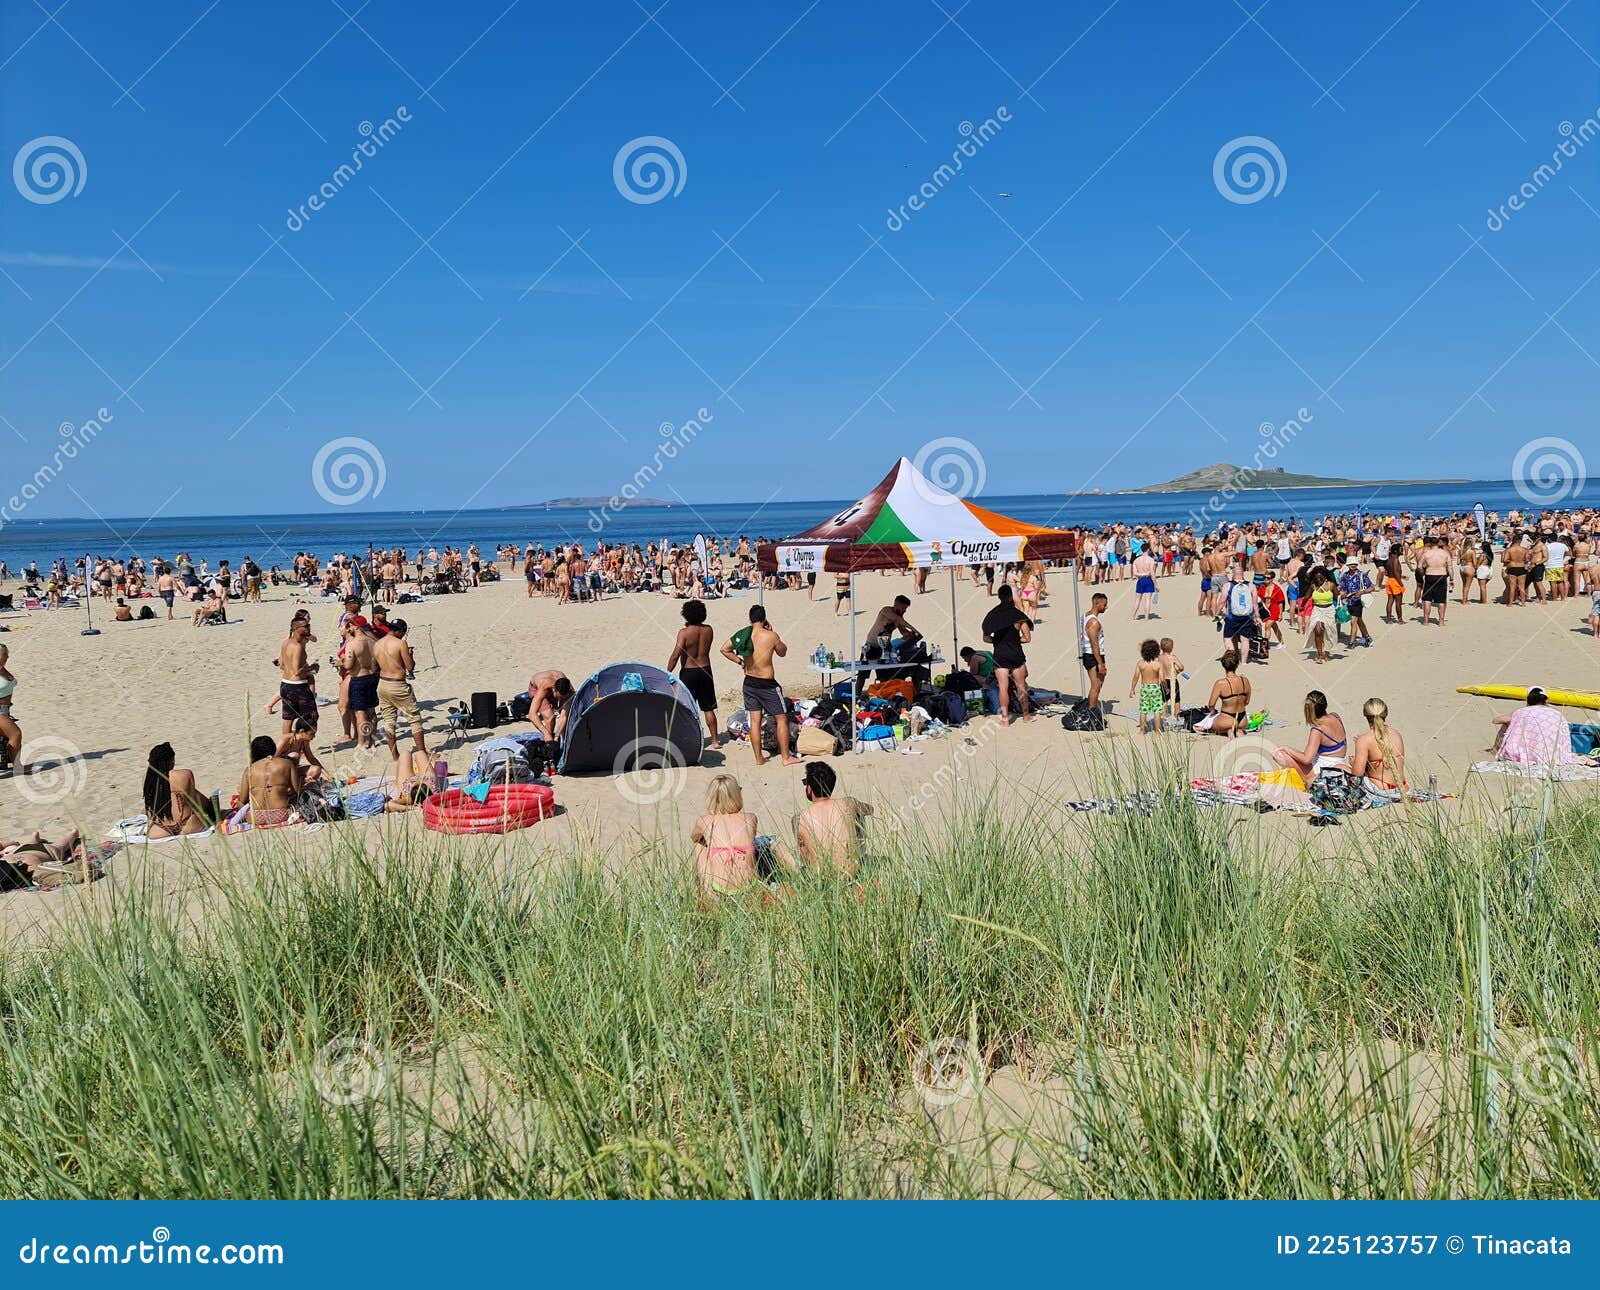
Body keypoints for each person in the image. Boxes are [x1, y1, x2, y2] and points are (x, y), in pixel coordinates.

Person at [722, 604, 801, 766]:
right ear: (764, 618)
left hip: (749, 681)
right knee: (781, 719)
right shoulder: (770, 636)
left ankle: (759, 758)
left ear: (750, 619)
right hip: (767, 684)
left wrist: (740, 661)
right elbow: (783, 652)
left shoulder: (744, 634)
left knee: (755, 721)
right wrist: (772, 631)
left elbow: (724, 649)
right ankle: (786, 757)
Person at [793, 761, 873, 876]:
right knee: (858, 815)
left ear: (809, 789)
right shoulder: (848, 803)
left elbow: (804, 856)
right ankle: (859, 857)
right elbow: (870, 810)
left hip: (821, 878)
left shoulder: (800, 818)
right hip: (852, 874)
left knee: (802, 839)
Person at [690, 774, 763, 900]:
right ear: (736, 796)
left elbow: (694, 837)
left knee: (699, 845)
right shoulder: (750, 818)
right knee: (750, 844)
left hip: (719, 887)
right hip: (749, 887)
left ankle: (705, 889)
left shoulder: (704, 821)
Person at [668, 599, 720, 745]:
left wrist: (667, 671)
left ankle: (691, 739)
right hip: (705, 670)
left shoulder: (684, 633)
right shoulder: (709, 630)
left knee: (687, 708)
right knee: (708, 708)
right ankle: (715, 740)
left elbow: (675, 655)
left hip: (688, 672)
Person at [982, 584, 1034, 726]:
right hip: (1016, 654)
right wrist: (1015, 640)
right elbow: (1027, 638)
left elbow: (986, 638)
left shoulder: (992, 615)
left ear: (999, 597)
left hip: (1000, 655)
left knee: (1003, 687)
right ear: (1011, 597)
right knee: (1021, 686)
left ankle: (1005, 719)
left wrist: (998, 641)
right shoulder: (1017, 615)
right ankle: (1026, 716)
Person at [375, 619, 426, 757]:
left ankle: (395, 757)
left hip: (382, 684)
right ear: (400, 631)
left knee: (389, 721)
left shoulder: (378, 643)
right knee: (414, 719)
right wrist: (410, 655)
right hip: (397, 684)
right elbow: (410, 667)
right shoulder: (400, 643)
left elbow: (375, 667)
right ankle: (422, 753)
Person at [1490, 687, 1577, 768]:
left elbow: (1496, 720)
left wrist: (1515, 714)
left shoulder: (1521, 712)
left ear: (1528, 700)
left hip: (1531, 752)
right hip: (1555, 755)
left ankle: (1494, 751)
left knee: (1508, 723)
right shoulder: (1557, 713)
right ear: (1546, 700)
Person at [142, 742, 212, 838]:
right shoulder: (184, 775)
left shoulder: (148, 780)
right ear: (172, 761)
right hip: (187, 824)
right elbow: (193, 803)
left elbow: (148, 807)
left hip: (160, 828)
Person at [1273, 691, 1347, 781]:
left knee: (1279, 754)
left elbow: (1306, 759)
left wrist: (1286, 748)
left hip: (1325, 767)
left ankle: (1307, 779)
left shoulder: (1318, 730)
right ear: (1325, 705)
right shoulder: (1335, 716)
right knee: (1299, 753)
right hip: (1339, 761)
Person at [235, 734, 301, 828]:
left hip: (255, 817)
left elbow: (242, 800)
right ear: (273, 749)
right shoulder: (287, 763)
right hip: (281, 815)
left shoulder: (249, 769)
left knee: (238, 801)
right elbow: (297, 791)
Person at [1349, 697, 1406, 801]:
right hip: (1401, 787)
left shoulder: (1364, 740)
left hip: (1381, 790)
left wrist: (1354, 763)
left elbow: (1356, 777)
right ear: (1385, 714)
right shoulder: (1397, 734)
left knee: (1340, 767)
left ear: (1366, 715)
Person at [277, 617, 320, 737]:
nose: (308, 628)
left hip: (285, 684)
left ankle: (286, 744)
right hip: (297, 686)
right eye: (305, 626)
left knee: (288, 718)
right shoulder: (297, 646)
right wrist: (312, 668)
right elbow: (297, 671)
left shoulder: (286, 642)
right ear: (296, 629)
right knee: (311, 716)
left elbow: (281, 664)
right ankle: (302, 741)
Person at [343, 616, 380, 749]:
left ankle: (362, 742)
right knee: (372, 711)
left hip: (359, 678)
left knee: (360, 713)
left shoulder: (352, 644)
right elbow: (377, 662)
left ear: (356, 626)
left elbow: (348, 665)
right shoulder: (372, 641)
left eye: (350, 626)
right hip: (372, 678)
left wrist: (341, 661)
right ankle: (373, 740)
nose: (349, 628)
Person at [1197, 649, 1251, 737]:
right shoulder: (1245, 680)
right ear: (1237, 665)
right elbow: (1247, 702)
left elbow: (1211, 705)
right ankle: (1237, 731)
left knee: (1208, 726)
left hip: (1227, 718)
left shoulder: (1220, 683)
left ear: (1223, 665)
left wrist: (1213, 712)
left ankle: (1229, 730)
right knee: (1237, 728)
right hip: (1242, 720)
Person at [1075, 591, 1107, 715]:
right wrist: (1100, 663)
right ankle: (1091, 713)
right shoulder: (1094, 622)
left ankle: (1090, 708)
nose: (1105, 607)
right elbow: (1095, 644)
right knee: (1096, 685)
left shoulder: (1084, 616)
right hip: (1093, 655)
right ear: (1097, 603)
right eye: (1104, 605)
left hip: (1089, 654)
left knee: (1096, 685)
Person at [1129, 638, 1166, 733]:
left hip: (1145, 688)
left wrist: (1132, 689)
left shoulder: (1140, 663)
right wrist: (1166, 688)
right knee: (1157, 710)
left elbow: (1135, 677)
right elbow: (1162, 679)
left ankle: (1142, 731)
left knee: (1143, 710)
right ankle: (1158, 731)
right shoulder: (1158, 664)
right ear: (1157, 652)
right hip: (1155, 688)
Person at [527, 670, 573, 741]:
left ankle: (556, 739)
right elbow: (532, 714)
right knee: (549, 717)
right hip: (536, 688)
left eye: (562, 698)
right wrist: (546, 733)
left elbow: (564, 716)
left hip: (557, 689)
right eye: (558, 697)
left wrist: (557, 736)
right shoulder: (545, 686)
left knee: (567, 714)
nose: (559, 699)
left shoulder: (570, 691)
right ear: (554, 689)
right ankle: (548, 742)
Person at [0, 644, 19, 770]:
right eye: (4, 654)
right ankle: (19, 767)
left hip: (5, 710)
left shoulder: (2, 669)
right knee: (15, 734)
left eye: (7, 654)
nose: (7, 656)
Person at [1130, 547, 1158, 619]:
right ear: (1148, 550)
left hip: (1140, 580)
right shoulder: (1151, 560)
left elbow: (1135, 573)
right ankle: (1146, 617)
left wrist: (1142, 574)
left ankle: (1133, 616)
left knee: (1137, 599)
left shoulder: (1136, 560)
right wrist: (1155, 584)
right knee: (1147, 599)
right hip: (1148, 579)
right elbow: (1152, 572)